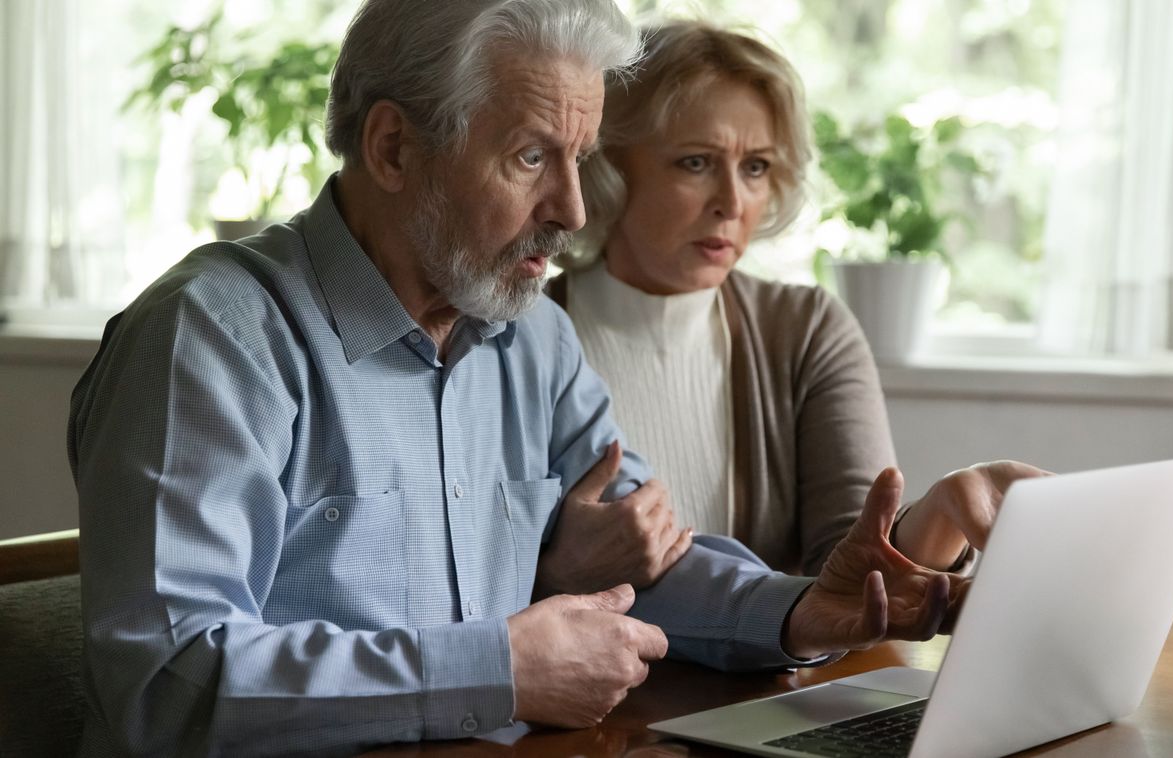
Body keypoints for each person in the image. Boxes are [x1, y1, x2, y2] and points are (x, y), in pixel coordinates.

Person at [67, 2, 969, 755]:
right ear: (391, 147)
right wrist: (497, 669)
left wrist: (806, 611)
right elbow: (168, 680)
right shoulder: (211, 338)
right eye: (533, 156)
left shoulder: (530, 334)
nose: (573, 211)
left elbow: (649, 568)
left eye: (580, 160)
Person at [544, 20, 1047, 589]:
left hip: (779, 678)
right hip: (586, 675)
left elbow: (856, 573)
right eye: (696, 162)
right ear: (607, 166)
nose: (732, 202)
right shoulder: (516, 339)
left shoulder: (808, 330)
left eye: (755, 167)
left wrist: (943, 515)